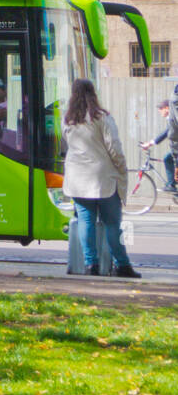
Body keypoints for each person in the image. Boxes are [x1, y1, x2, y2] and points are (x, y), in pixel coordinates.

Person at [62, 78, 140, 278]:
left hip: (77, 177)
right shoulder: (101, 117)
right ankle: (122, 265)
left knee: (85, 222)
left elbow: (66, 144)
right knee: (112, 223)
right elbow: (113, 146)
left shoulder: (67, 118)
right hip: (103, 177)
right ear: (93, 93)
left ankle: (91, 265)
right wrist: (122, 168)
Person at [140, 99, 177, 192]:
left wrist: (150, 143)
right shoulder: (172, 117)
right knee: (169, 158)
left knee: (168, 159)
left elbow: (165, 133)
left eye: (161, 109)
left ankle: (171, 185)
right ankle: (172, 185)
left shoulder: (173, 118)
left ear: (167, 108)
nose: (160, 112)